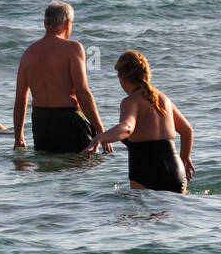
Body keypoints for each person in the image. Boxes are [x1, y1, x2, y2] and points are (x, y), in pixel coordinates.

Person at [82, 51, 194, 194]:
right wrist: (184, 159)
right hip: (176, 172)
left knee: (136, 215)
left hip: (146, 174)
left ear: (122, 78)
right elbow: (187, 131)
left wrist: (100, 137)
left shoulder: (130, 101)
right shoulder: (163, 99)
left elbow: (127, 127)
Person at [13, 1, 108, 153]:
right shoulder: (73, 48)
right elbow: (82, 92)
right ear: (68, 24)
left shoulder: (28, 53)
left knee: (48, 171)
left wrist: (19, 138)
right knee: (82, 169)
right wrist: (101, 132)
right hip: (68, 120)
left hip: (41, 124)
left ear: (45, 24)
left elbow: (20, 100)